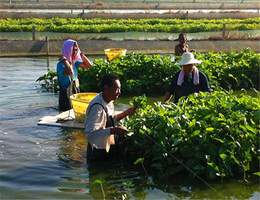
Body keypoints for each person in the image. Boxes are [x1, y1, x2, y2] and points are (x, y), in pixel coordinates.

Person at [84, 74, 136, 164]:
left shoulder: (109, 101)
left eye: (120, 89)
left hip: (108, 149)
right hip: (98, 154)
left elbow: (111, 120)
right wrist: (112, 131)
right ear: (106, 89)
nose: (119, 92)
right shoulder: (97, 107)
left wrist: (126, 113)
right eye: (116, 89)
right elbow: (90, 133)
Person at [57, 39, 93, 111]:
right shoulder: (61, 64)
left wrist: (81, 54)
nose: (75, 52)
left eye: (76, 50)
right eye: (73, 50)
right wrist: (65, 60)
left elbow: (89, 65)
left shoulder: (75, 62)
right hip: (66, 96)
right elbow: (70, 72)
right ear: (68, 50)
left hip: (75, 92)